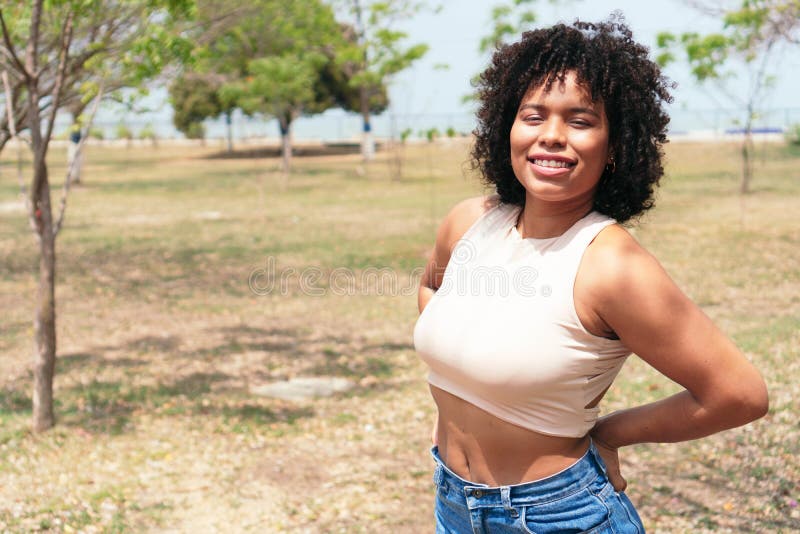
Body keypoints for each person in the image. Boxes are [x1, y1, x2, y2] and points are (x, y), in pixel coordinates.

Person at [413, 17, 768, 534]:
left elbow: (738, 393)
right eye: (533, 116)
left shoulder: (611, 266)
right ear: (506, 126)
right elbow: (431, 287)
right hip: (453, 503)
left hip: (557, 515)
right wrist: (460, 338)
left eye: (579, 121)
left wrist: (610, 433)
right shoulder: (469, 222)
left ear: (615, 144)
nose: (551, 136)